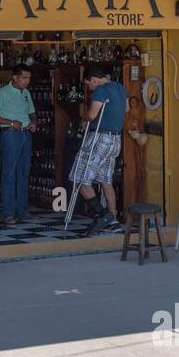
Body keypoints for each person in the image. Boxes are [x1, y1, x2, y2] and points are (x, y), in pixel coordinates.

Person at [70, 64, 128, 236]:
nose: (89, 87)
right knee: (105, 180)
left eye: (88, 84)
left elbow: (92, 115)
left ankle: (103, 215)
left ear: (94, 80)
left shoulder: (101, 90)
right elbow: (127, 109)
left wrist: (83, 119)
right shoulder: (120, 87)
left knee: (80, 178)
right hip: (115, 140)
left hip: (99, 139)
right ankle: (114, 221)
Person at [0, 64, 35, 225]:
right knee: (9, 173)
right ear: (15, 77)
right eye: (24, 78)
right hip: (11, 135)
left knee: (24, 173)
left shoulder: (26, 93)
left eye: (29, 78)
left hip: (26, 134)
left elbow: (32, 112)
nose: (27, 81)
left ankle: (22, 210)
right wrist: (11, 123)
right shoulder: (2, 93)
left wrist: (34, 121)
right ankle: (7, 213)